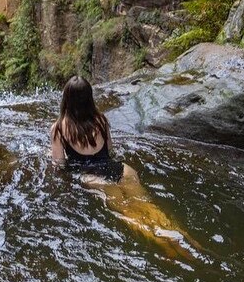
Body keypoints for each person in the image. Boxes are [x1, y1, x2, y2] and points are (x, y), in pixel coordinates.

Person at [49, 76, 200, 262]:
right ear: (90, 98)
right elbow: (110, 150)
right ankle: (185, 240)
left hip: (94, 178)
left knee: (130, 214)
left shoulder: (58, 129)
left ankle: (164, 246)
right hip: (120, 170)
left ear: (66, 99)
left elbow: (59, 164)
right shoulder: (101, 120)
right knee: (148, 206)